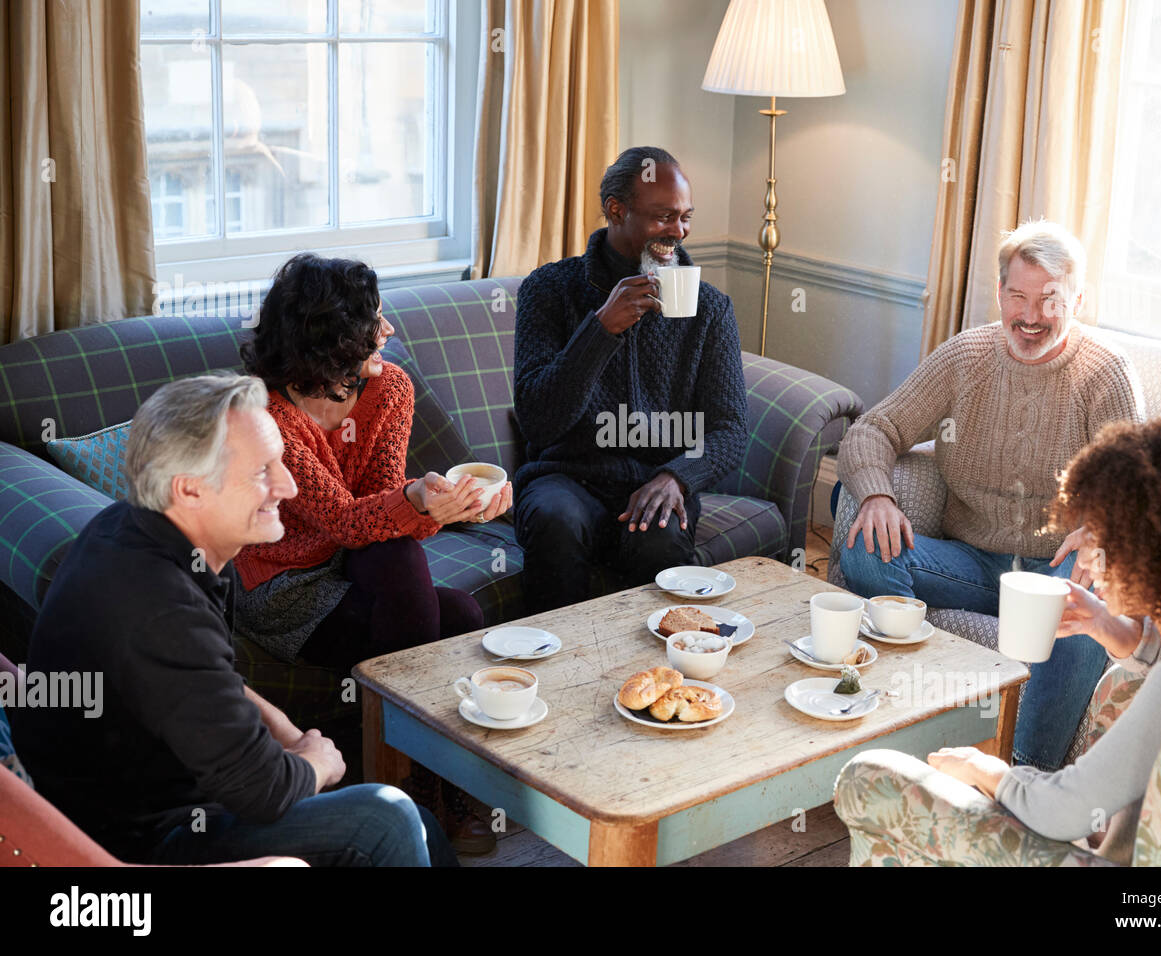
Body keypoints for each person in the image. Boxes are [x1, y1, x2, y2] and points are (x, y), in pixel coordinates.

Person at [12, 375, 456, 866]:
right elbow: (263, 791)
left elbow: (206, 678)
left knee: (417, 823)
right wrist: (318, 761)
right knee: (387, 817)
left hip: (165, 797)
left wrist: (287, 731)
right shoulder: (160, 609)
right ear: (191, 490)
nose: (286, 486)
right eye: (262, 472)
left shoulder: (132, 530)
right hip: (137, 843)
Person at [915, 418, 1161, 863]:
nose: (1086, 557)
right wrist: (1106, 625)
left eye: (1099, 541)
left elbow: (1065, 811)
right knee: (1121, 679)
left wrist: (988, 771)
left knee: (878, 777)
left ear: (1150, 554)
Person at [837, 220, 1144, 771]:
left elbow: (1137, 484)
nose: (1030, 316)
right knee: (862, 546)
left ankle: (1026, 780)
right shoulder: (965, 357)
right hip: (973, 564)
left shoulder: (1106, 373)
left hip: (1054, 570)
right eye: (1017, 296)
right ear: (999, 293)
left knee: (1088, 588)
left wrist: (1105, 523)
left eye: (1049, 299)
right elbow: (872, 428)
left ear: (1077, 298)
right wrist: (877, 496)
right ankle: (910, 716)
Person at [236, 252, 509, 853]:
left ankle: (411, 780)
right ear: (330, 339)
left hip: (356, 562)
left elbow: (376, 508)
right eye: (374, 320)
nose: (389, 331)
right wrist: (417, 501)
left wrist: (458, 505)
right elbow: (341, 516)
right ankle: (430, 785)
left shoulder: (389, 388)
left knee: (421, 579)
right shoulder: (270, 414)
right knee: (457, 614)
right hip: (287, 589)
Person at [512, 146, 748, 613]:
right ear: (615, 210)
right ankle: (553, 668)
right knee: (557, 521)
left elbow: (730, 428)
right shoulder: (549, 290)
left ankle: (652, 677)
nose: (677, 233)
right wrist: (600, 330)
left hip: (656, 480)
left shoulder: (710, 307)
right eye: (663, 217)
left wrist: (677, 478)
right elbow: (538, 419)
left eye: (685, 218)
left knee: (658, 539)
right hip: (565, 477)